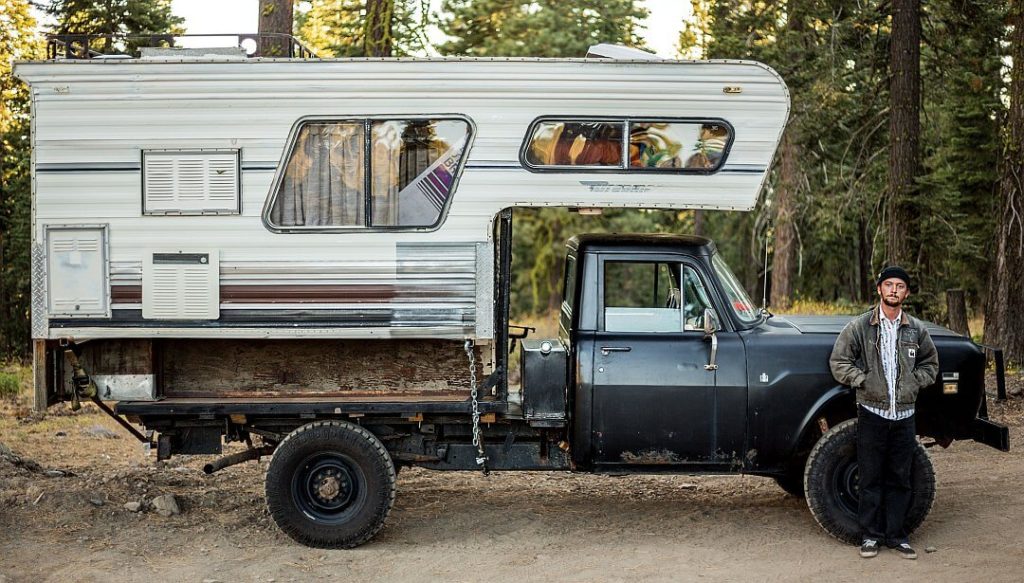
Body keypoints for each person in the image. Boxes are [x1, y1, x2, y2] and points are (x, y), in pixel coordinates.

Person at [829, 266, 939, 560]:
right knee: (870, 477)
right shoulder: (860, 326)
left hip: (904, 416)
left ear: (906, 293)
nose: (893, 290)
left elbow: (930, 364)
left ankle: (897, 536)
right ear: (879, 289)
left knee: (900, 477)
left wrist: (914, 381)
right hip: (872, 412)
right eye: (888, 285)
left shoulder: (916, 329)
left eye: (899, 286)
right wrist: (862, 380)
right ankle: (871, 536)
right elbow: (839, 361)